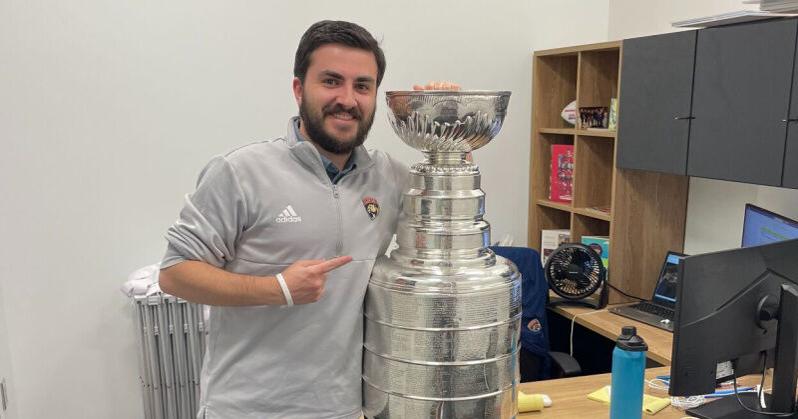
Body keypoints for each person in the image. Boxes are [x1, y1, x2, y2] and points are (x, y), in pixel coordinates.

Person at [158, 20, 457, 418]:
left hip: (344, 408)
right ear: (299, 89)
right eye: (331, 81)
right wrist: (277, 288)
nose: (347, 99)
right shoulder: (241, 172)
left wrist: (450, 130)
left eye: (362, 86)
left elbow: (450, 224)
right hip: (247, 409)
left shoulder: (391, 178)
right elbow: (175, 273)